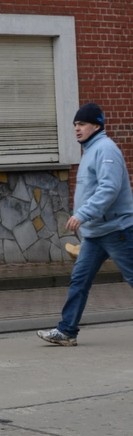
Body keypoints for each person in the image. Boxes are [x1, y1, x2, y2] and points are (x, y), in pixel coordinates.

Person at [37, 101, 133, 346]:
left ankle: (67, 329)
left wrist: (83, 214)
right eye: (75, 125)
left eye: (82, 124)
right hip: (95, 233)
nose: (77, 129)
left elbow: (109, 188)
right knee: (79, 281)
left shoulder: (106, 149)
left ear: (97, 125)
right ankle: (67, 331)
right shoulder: (90, 150)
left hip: (117, 230)